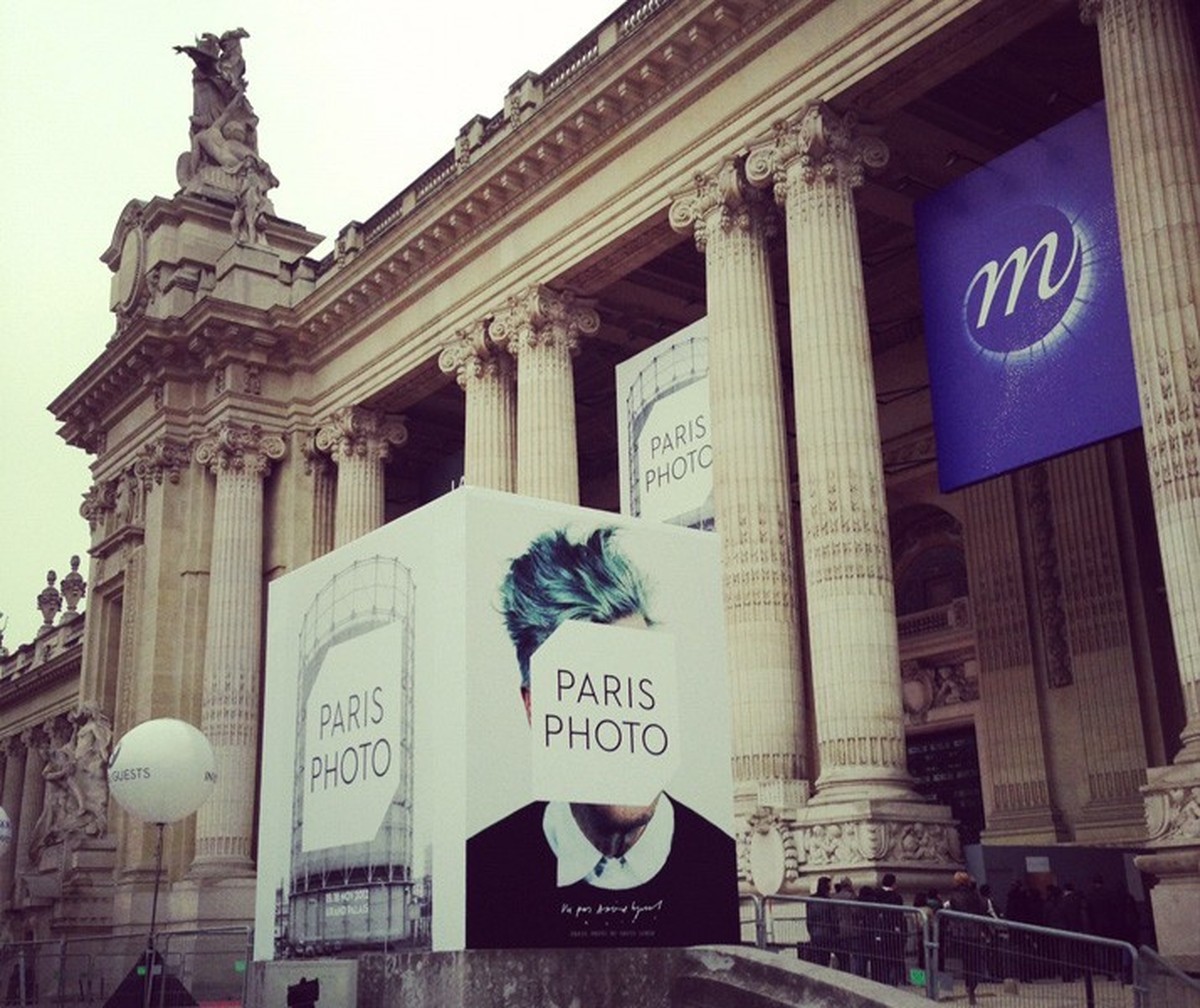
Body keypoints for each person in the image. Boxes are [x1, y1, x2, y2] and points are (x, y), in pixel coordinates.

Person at [465, 527, 738, 948]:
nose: (624, 719)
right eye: (598, 689)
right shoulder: (484, 871)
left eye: (640, 684)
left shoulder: (718, 861)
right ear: (535, 708)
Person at [945, 871, 987, 1005]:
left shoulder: (954, 895)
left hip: (961, 932)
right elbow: (982, 908)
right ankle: (972, 986)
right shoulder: (974, 894)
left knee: (967, 961)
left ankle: (969, 986)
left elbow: (953, 911)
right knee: (975, 961)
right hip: (974, 932)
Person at [804, 876, 836, 966]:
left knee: (817, 959)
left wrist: (811, 931)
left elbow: (809, 918)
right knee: (825, 959)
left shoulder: (811, 900)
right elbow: (832, 918)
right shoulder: (829, 901)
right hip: (827, 933)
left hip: (815, 933)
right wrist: (835, 931)